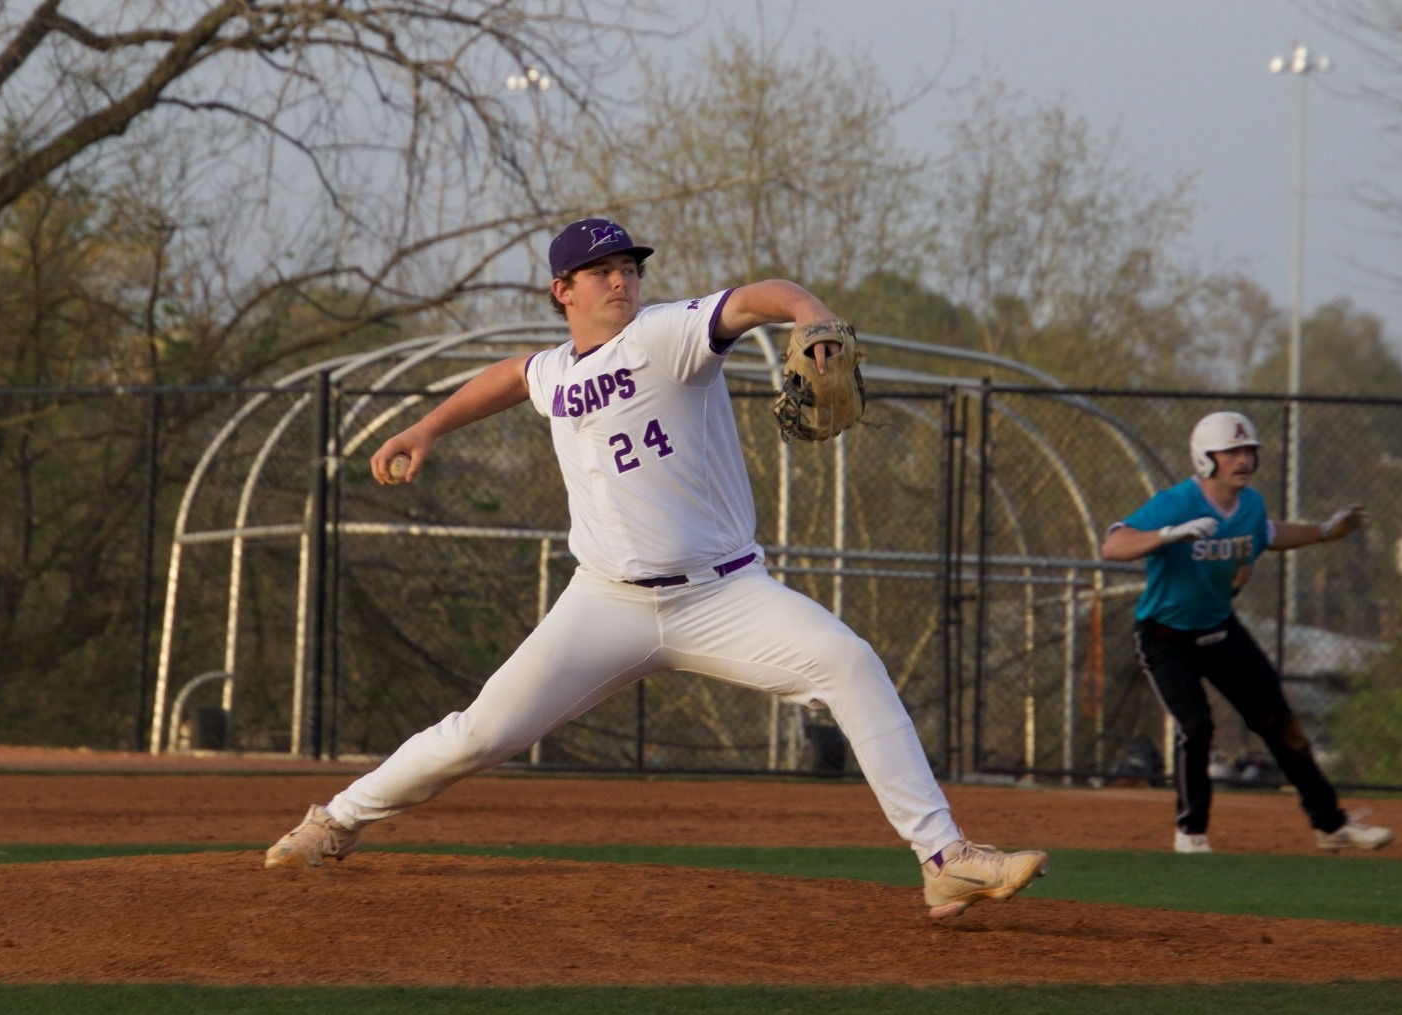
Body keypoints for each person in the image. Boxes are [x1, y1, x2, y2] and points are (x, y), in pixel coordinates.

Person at [264, 217, 1048, 919]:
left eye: (630, 266)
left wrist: (809, 316)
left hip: (725, 595)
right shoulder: (558, 374)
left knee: (849, 663)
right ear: (561, 289)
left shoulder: (666, 336)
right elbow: (513, 375)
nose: (621, 278)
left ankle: (945, 862)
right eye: (603, 269)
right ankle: (334, 822)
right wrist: (427, 428)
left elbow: (758, 297)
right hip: (603, 605)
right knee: (478, 734)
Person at [1098, 411, 1394, 855]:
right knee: (1195, 726)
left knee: (1280, 722)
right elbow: (1112, 544)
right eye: (1231, 452)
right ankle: (1191, 832)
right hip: (1165, 635)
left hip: (1218, 629)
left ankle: (1330, 825)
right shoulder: (1177, 501)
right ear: (1206, 459)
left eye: (1248, 450)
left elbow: (1268, 532)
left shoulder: (1250, 503)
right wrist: (1166, 534)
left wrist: (1326, 532)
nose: (1243, 459)